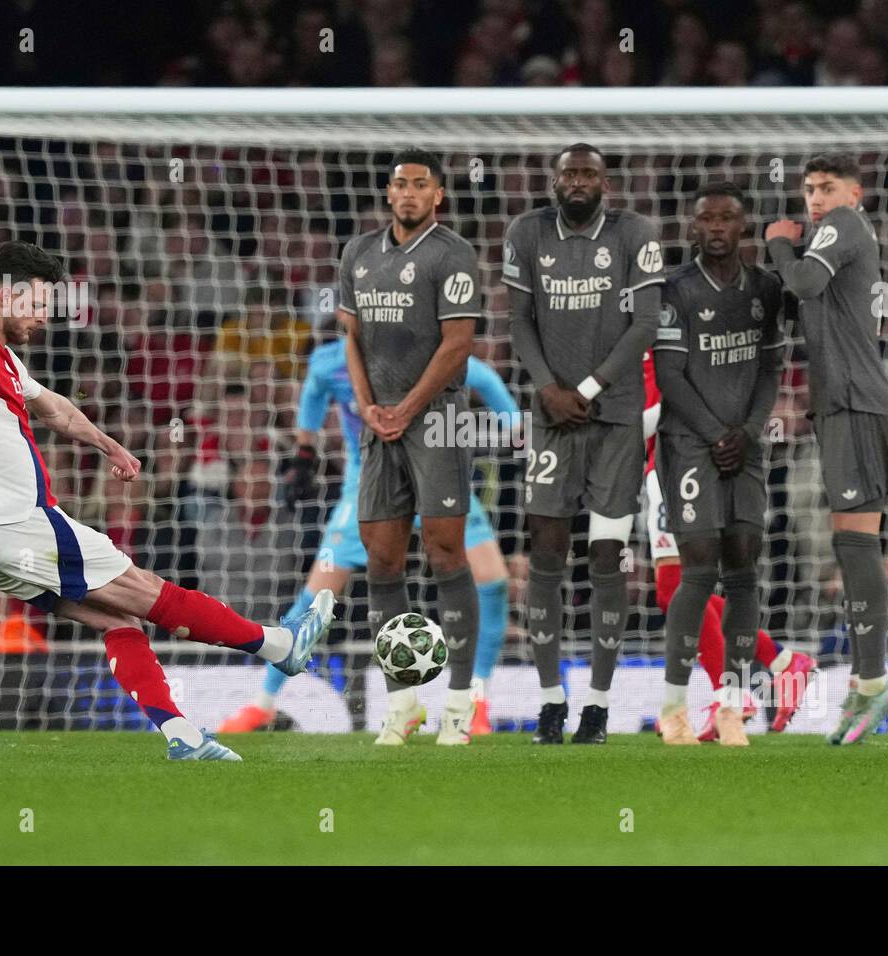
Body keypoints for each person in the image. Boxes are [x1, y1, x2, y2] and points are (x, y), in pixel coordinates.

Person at [0, 240, 334, 761]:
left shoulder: (2, 359)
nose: (42, 318)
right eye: (36, 305)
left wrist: (109, 445)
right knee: (148, 590)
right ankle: (279, 645)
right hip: (14, 524)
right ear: (5, 294)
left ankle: (182, 737)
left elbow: (52, 407)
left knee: (117, 619)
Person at [217, 339, 516, 736]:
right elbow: (313, 393)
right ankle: (264, 704)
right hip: (368, 484)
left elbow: (483, 377)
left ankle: (475, 699)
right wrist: (304, 454)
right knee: (317, 597)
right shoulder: (330, 363)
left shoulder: (422, 350)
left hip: (436, 476)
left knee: (493, 583)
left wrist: (507, 431)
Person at [503, 142, 663, 744]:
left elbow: (646, 324)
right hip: (551, 416)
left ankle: (597, 704)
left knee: (606, 557)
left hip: (616, 417)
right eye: (568, 172)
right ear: (554, 180)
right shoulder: (526, 232)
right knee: (546, 550)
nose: (577, 182)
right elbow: (519, 319)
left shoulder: (635, 233)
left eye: (588, 174)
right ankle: (551, 700)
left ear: (604, 183)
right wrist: (549, 388)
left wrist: (589, 388)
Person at [648, 181, 812, 745]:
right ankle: (674, 706)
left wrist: (745, 433)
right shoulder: (672, 289)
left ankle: (734, 703)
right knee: (691, 576)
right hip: (685, 447)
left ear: (743, 226)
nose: (716, 228)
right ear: (693, 227)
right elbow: (669, 376)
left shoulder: (765, 289)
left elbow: (771, 370)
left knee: (742, 573)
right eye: (706, 219)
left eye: (727, 219)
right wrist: (717, 432)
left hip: (743, 448)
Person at [336, 149, 484, 746]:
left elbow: (458, 345)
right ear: (387, 191)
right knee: (381, 559)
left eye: (421, 185)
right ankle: (401, 703)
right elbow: (351, 336)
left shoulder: (454, 254)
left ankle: (458, 703)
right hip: (382, 421)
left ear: (439, 195)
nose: (409, 193)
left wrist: (408, 407)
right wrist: (369, 405)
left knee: (445, 550)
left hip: (440, 417)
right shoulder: (358, 254)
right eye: (400, 184)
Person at [765, 153, 888, 745]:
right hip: (840, 403)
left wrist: (777, 243)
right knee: (850, 544)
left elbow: (803, 281)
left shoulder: (843, 224)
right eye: (808, 190)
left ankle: (874, 684)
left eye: (827, 188)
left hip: (857, 401)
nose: (815, 198)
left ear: (855, 193)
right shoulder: (836, 232)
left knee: (857, 543)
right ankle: (867, 682)